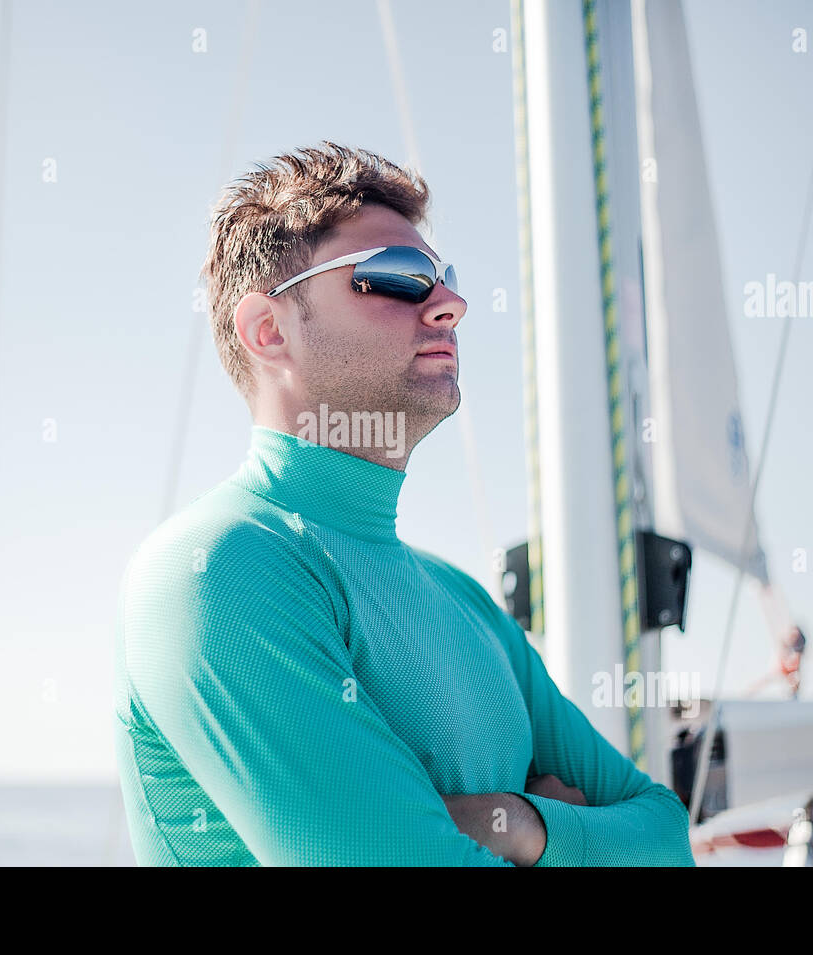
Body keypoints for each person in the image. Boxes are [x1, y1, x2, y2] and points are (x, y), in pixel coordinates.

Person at [112, 141, 696, 866]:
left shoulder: (464, 602)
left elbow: (667, 836)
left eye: (443, 279)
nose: (449, 304)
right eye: (399, 277)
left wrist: (512, 821)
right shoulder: (214, 570)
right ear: (269, 330)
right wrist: (576, 836)